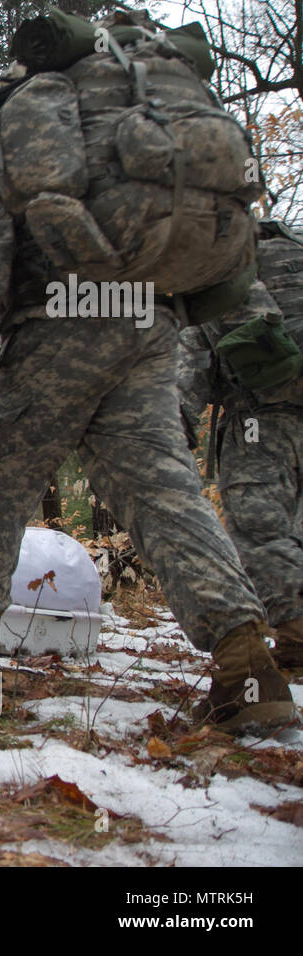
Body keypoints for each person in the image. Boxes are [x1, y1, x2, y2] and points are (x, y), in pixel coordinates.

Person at [0, 24, 297, 733]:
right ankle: (247, 666)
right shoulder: (107, 137)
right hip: (150, 321)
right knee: (162, 490)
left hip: (62, 322)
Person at [179, 221, 303, 675]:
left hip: (258, 421)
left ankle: (295, 638)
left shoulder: (223, 270)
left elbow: (194, 356)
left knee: (261, 530)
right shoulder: (293, 252)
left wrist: (172, 424)